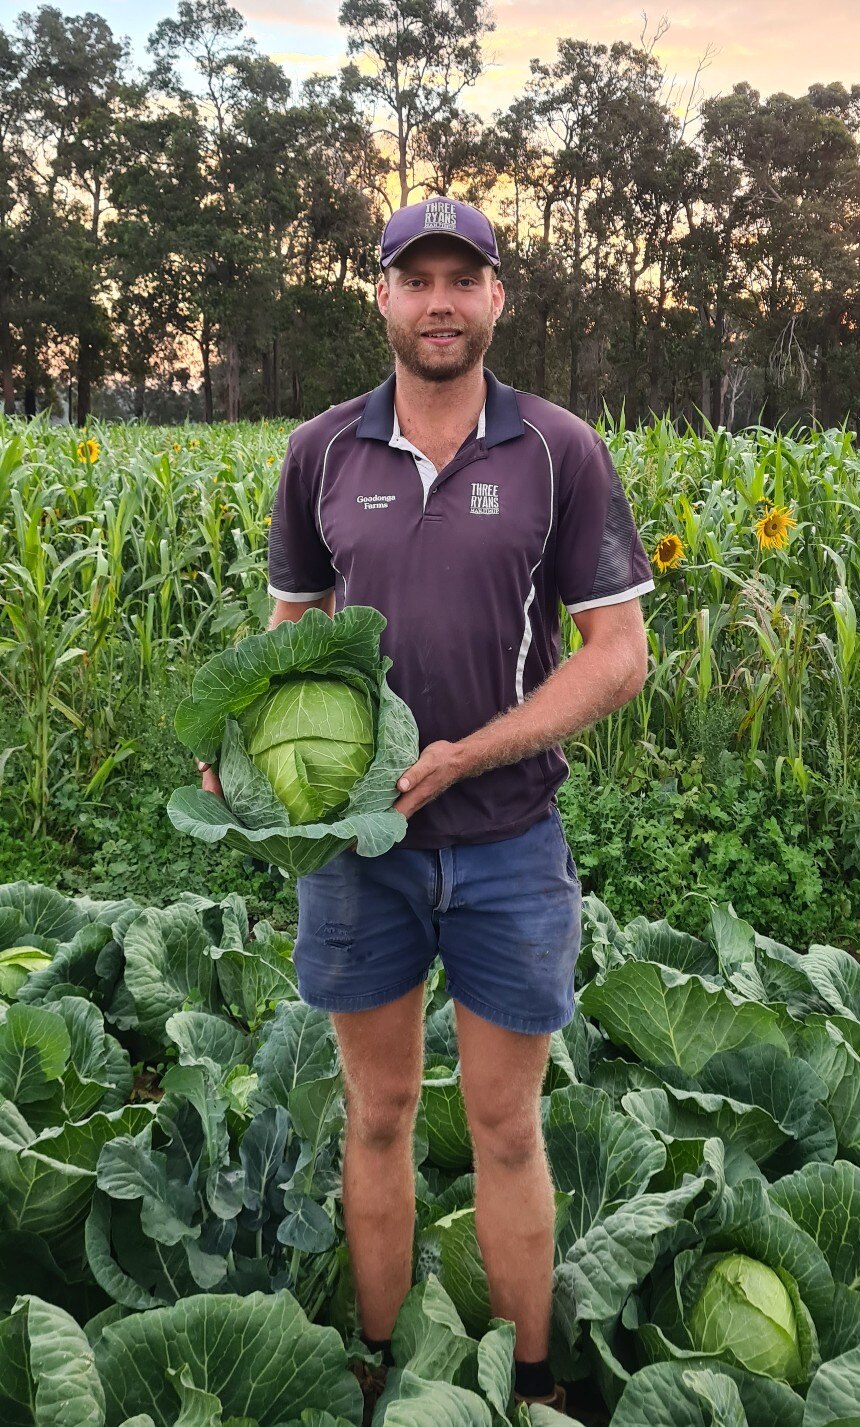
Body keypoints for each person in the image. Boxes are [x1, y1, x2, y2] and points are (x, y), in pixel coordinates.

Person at [199, 197, 654, 1411]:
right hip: (359, 849)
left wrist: (470, 752)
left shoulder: (558, 447)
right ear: (382, 295)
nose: (440, 300)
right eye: (417, 278)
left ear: (497, 297)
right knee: (378, 1110)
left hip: (510, 843)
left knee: (507, 1126)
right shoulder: (320, 452)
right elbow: (288, 637)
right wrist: (240, 745)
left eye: (464, 277)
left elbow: (615, 652)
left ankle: (535, 1381)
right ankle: (383, 1366)